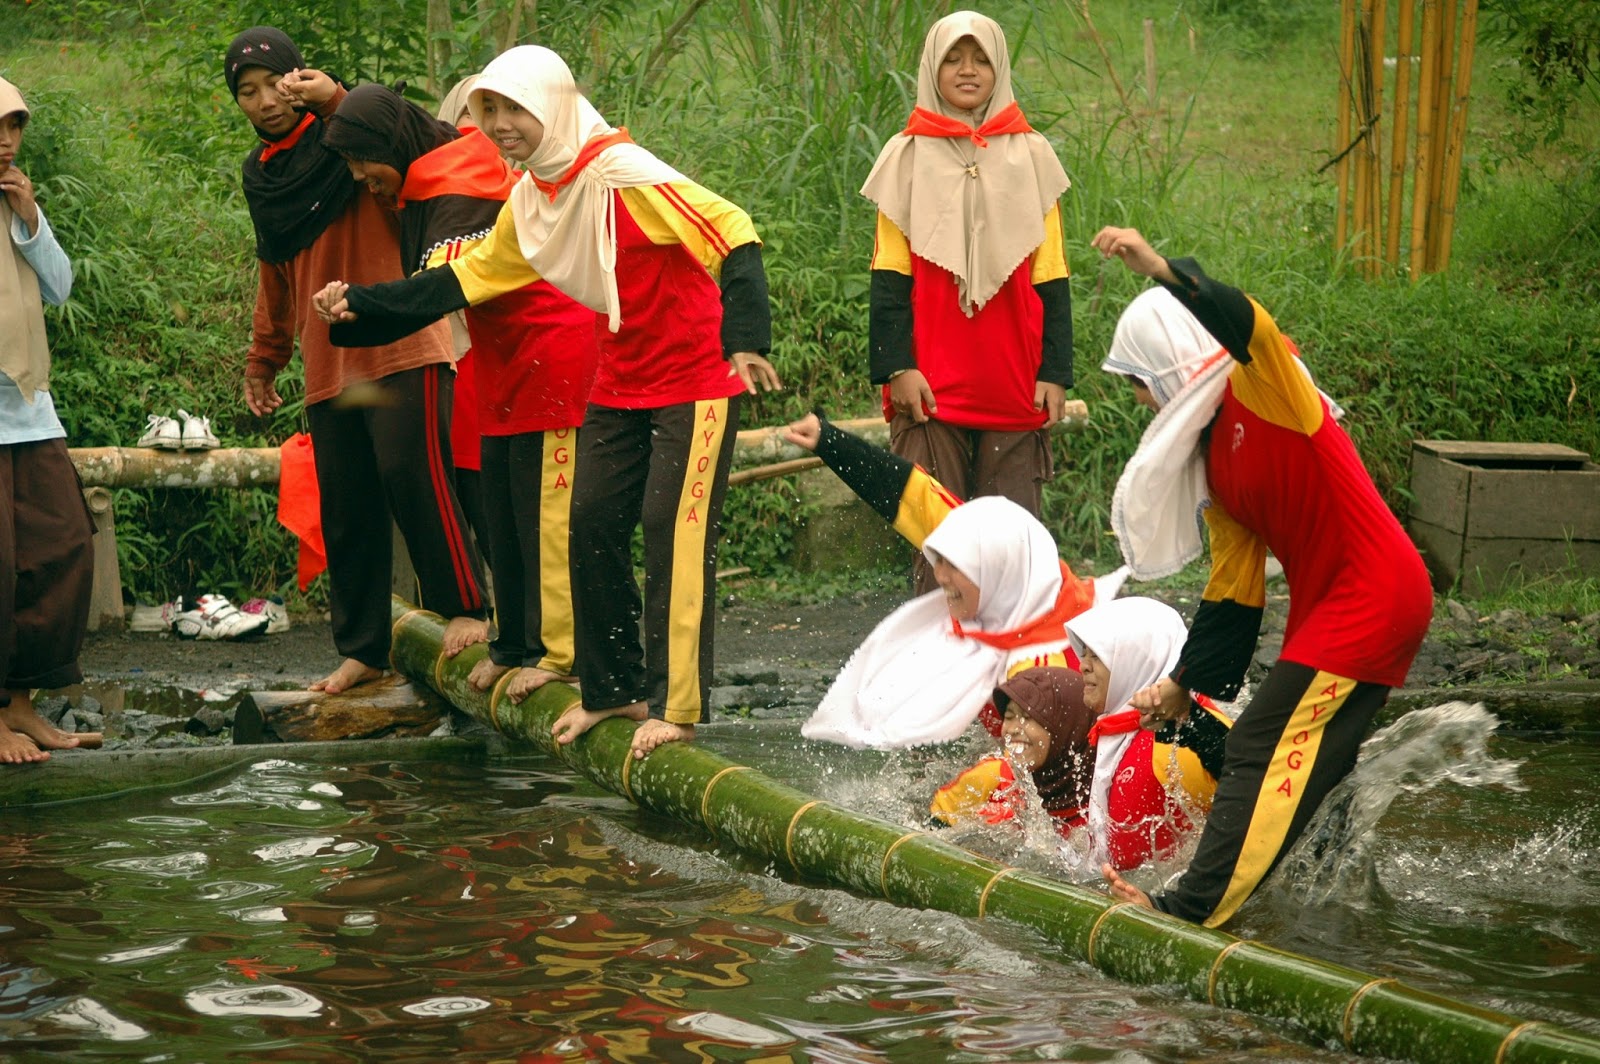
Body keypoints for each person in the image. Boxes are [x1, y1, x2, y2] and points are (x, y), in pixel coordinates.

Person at [312, 45, 780, 758]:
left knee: (668, 530)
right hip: (619, 381)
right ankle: (613, 688)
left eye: (514, 111)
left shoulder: (627, 178)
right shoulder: (536, 198)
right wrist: (361, 307)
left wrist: (747, 338)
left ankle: (678, 708)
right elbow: (460, 283)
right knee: (589, 524)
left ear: (554, 107)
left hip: (696, 380)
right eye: (488, 111)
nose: (500, 126)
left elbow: (734, 231)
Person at [1090, 226, 1433, 926]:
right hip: (1332, 609)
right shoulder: (1213, 466)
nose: (1138, 403)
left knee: (1258, 746)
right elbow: (1232, 594)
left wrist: (1162, 269)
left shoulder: (1266, 385)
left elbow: (1253, 325)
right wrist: (1184, 688)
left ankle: (1189, 908)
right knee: (1317, 772)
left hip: (1373, 595)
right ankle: (1328, 907)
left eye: (1137, 386)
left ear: (1168, 366)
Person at [224, 26, 489, 695]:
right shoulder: (264, 177)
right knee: (347, 504)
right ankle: (364, 649)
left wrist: (335, 98)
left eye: (273, 84)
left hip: (402, 338)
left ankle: (466, 609)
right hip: (329, 359)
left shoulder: (352, 134)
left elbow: (419, 135)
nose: (263, 102)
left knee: (415, 476)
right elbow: (275, 272)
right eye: (246, 93)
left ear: (297, 76)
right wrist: (265, 358)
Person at [321, 81, 599, 703]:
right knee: (501, 515)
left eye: (366, 168)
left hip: (552, 360)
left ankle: (561, 658)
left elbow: (445, 288)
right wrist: (357, 312)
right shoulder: (430, 177)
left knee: (543, 521)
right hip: (502, 364)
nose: (366, 181)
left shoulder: (461, 182)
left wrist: (359, 304)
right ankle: (516, 645)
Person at [860, 10, 1074, 594]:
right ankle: (939, 680)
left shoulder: (1032, 156)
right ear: (933, 67)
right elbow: (889, 276)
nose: (967, 70)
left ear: (999, 66)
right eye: (954, 58)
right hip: (930, 388)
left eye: (980, 58)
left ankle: (1012, 684)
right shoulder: (904, 156)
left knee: (1011, 554)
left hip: (1012, 378)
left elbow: (1052, 275)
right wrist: (897, 367)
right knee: (940, 552)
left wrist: (1055, 372)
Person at [782, 412, 1120, 749]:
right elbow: (907, 491)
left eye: (953, 566)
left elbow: (1035, 772)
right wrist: (829, 441)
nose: (940, 576)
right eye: (938, 561)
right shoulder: (992, 549)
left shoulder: (1046, 665)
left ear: (996, 574)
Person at [0, 76, 103, 763]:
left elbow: (61, 285)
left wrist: (31, 218)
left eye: (14, 128)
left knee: (62, 549)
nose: (6, 142)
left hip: (30, 413)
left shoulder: (17, 202)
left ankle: (22, 707)